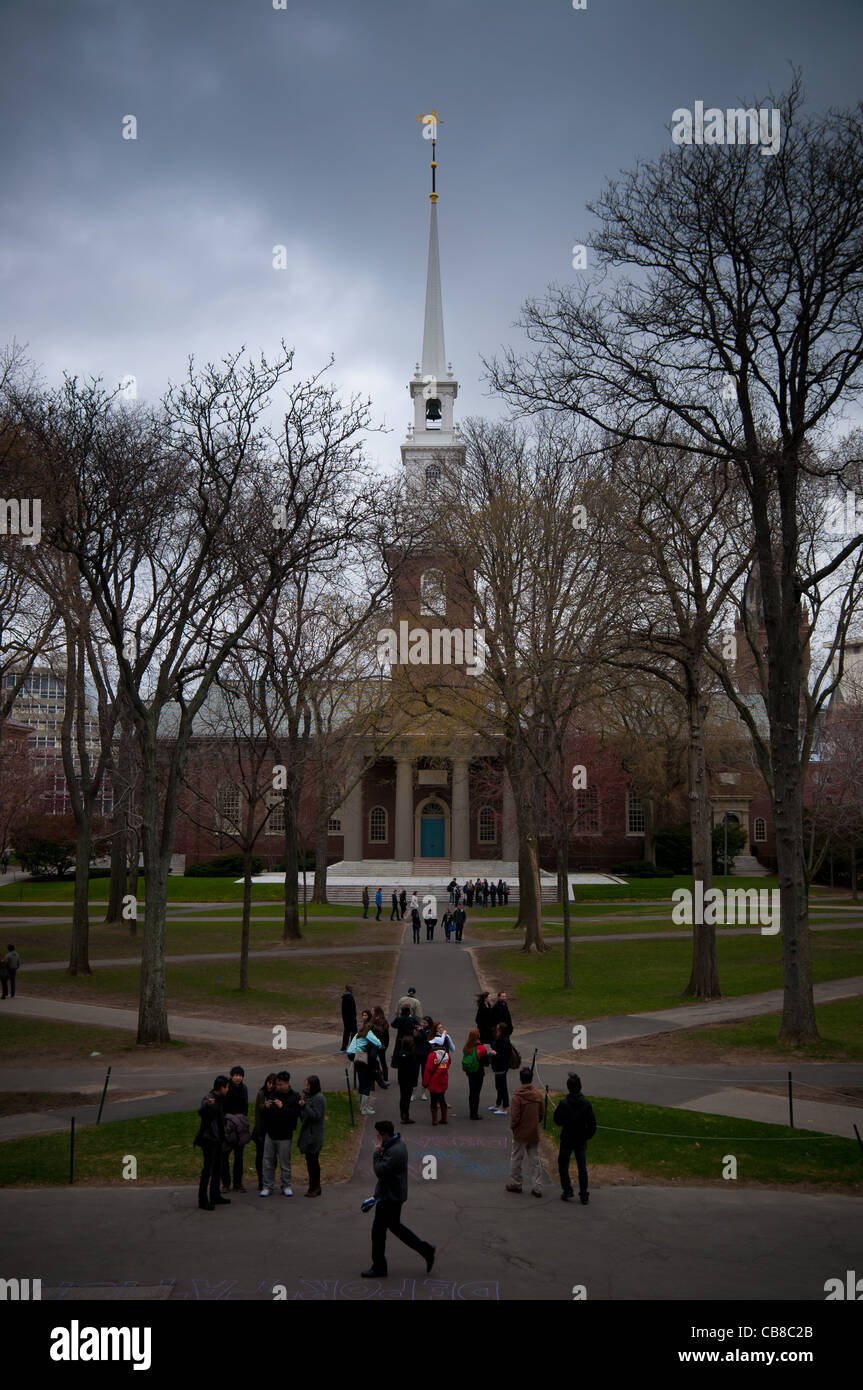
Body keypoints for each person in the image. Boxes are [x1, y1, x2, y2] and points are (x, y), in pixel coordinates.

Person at [362, 1120, 435, 1279]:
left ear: (384, 1135)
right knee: (395, 1227)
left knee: (378, 1232)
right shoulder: (395, 1146)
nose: (377, 1138)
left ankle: (379, 1266)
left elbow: (381, 1171)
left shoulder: (395, 1151)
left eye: (378, 1135)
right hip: (391, 1195)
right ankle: (426, 1250)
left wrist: (376, 1154)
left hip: (390, 1197)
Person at [554, 1072, 597, 1205]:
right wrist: (586, 1136)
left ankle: (567, 1190)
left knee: (563, 1164)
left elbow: (557, 1120)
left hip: (567, 1138)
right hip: (580, 1139)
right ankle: (583, 1194)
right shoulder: (586, 1104)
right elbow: (592, 1125)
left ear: (568, 1087)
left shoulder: (564, 1103)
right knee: (581, 1167)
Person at [260, 1070, 301, 1197]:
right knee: (267, 1162)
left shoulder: (294, 1096)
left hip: (285, 1135)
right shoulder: (272, 1095)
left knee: (285, 1163)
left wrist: (283, 1107)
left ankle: (286, 1185)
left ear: (287, 1083)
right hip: (271, 1133)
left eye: (280, 1084)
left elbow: (294, 1115)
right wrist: (266, 1108)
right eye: (277, 1084)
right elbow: (267, 1114)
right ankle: (267, 1186)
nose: (278, 1087)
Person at [506, 1066, 546, 1197]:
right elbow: (542, 1113)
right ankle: (537, 1187)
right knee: (535, 1160)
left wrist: (513, 1127)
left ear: (520, 1079)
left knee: (517, 1158)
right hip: (533, 1131)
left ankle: (516, 1183)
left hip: (520, 1132)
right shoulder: (538, 1095)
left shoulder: (518, 1097)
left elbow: (515, 1116)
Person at [194, 1074, 231, 1211]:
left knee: (217, 1169)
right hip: (208, 1140)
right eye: (227, 1087)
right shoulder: (209, 1099)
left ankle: (215, 1195)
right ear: (221, 1088)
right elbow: (202, 1111)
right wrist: (207, 1106)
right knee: (207, 1170)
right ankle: (203, 1200)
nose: (228, 1090)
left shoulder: (220, 1099)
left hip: (218, 1140)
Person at [220, 1065, 250, 1193]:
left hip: (239, 1127)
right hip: (227, 1125)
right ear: (231, 1076)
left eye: (240, 1075)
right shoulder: (226, 1087)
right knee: (224, 1155)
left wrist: (241, 1120)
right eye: (236, 1075)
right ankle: (226, 1183)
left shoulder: (244, 1089)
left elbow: (245, 1107)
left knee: (239, 1156)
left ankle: (238, 1183)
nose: (238, 1078)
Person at [297, 1074, 326, 1197]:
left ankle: (316, 1186)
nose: (306, 1086)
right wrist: (301, 1109)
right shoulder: (307, 1096)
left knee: (313, 1162)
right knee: (309, 1162)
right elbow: (304, 1116)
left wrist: (305, 1106)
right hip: (306, 1134)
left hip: (315, 1135)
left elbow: (316, 1115)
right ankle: (312, 1186)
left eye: (308, 1084)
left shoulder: (319, 1098)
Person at [461, 1027, 495, 1120]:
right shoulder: (481, 1048)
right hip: (478, 1072)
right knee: (476, 1093)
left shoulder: (467, 1047)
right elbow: (486, 1063)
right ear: (478, 1036)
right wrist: (490, 1055)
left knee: (472, 1092)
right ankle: (474, 1114)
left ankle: (471, 1111)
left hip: (470, 1072)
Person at [251, 1072, 277, 1191]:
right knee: (260, 1156)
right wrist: (264, 1106)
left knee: (272, 1157)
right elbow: (257, 1111)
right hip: (261, 1130)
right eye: (269, 1083)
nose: (270, 1085)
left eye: (273, 1083)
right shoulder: (261, 1094)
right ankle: (261, 1180)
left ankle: (270, 1179)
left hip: (272, 1131)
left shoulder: (277, 1095)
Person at [348, 1021, 381, 1114]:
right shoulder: (369, 1033)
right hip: (359, 1056)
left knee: (362, 1082)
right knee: (366, 1083)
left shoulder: (359, 1033)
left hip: (352, 1055)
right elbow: (378, 1043)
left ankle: (363, 1106)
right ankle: (363, 1108)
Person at [422, 1032, 451, 1124]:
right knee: (442, 1099)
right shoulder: (447, 1055)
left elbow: (428, 1070)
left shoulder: (432, 1055)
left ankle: (435, 1120)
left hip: (434, 1081)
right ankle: (444, 1118)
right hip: (443, 1080)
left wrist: (425, 1083)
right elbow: (448, 1064)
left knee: (433, 1100)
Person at [489, 1021, 512, 1114]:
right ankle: (498, 1103)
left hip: (501, 1066)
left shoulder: (505, 1041)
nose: (496, 1030)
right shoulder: (498, 1038)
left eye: (498, 1029)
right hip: (497, 1066)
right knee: (498, 1085)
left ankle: (505, 1107)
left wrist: (495, 1054)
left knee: (502, 1086)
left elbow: (504, 1056)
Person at [396, 1036, 420, 1124]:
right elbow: (415, 1068)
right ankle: (405, 1116)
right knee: (407, 1098)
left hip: (402, 1079)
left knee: (403, 1097)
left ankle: (403, 1114)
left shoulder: (400, 1053)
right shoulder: (412, 1056)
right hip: (409, 1080)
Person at [371, 1006, 391, 1086]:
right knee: (383, 1061)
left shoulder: (375, 1021)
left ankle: (377, 1078)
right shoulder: (384, 1021)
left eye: (373, 1011)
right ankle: (385, 1078)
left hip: (377, 1044)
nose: (371, 1012)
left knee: (375, 1061)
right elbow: (387, 1036)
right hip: (383, 1044)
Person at [340, 984, 357, 1052]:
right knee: (354, 1032)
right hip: (350, 1018)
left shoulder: (345, 997)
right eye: (351, 988)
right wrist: (353, 1018)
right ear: (348, 989)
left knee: (347, 1032)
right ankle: (351, 1047)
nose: (352, 989)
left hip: (346, 1018)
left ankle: (344, 1047)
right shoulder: (349, 997)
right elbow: (351, 1010)